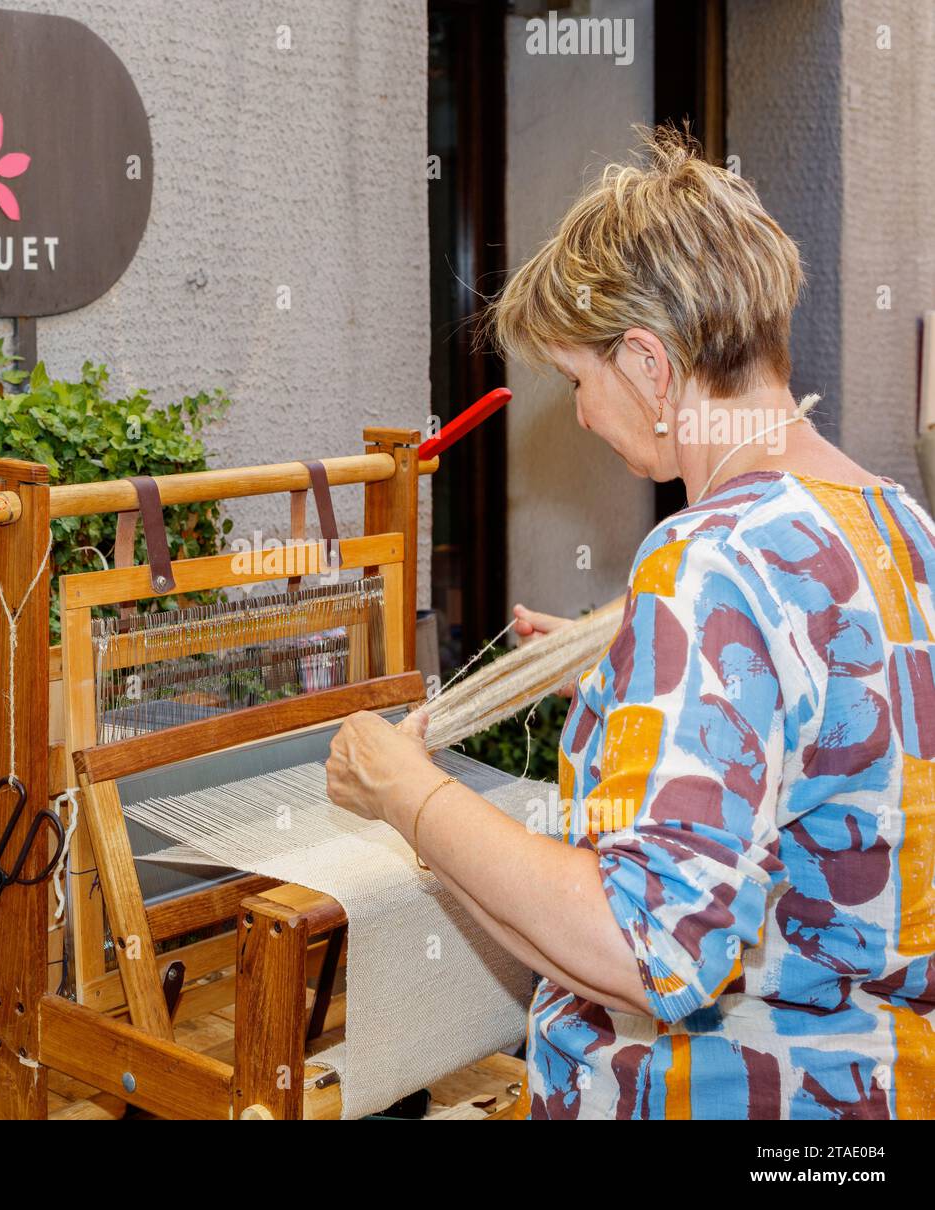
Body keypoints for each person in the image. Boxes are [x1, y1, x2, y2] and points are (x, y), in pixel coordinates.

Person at [325, 127, 935, 1119]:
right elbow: (833, 757)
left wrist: (407, 792)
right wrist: (628, 687)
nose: (577, 415)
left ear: (650, 364)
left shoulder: (707, 561)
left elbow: (646, 949)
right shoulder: (895, 519)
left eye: (577, 379)